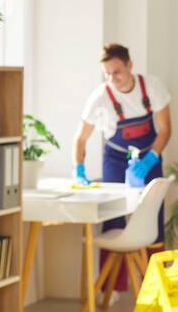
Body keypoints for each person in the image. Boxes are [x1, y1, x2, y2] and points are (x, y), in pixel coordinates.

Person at [73, 43, 172, 292]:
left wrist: (153, 157)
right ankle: (113, 288)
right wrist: (79, 170)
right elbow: (81, 138)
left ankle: (156, 286)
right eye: (107, 73)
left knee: (153, 216)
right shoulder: (100, 97)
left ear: (130, 65)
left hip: (149, 157)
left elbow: (165, 129)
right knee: (113, 217)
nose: (112, 78)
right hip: (116, 159)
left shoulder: (152, 87)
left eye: (116, 71)